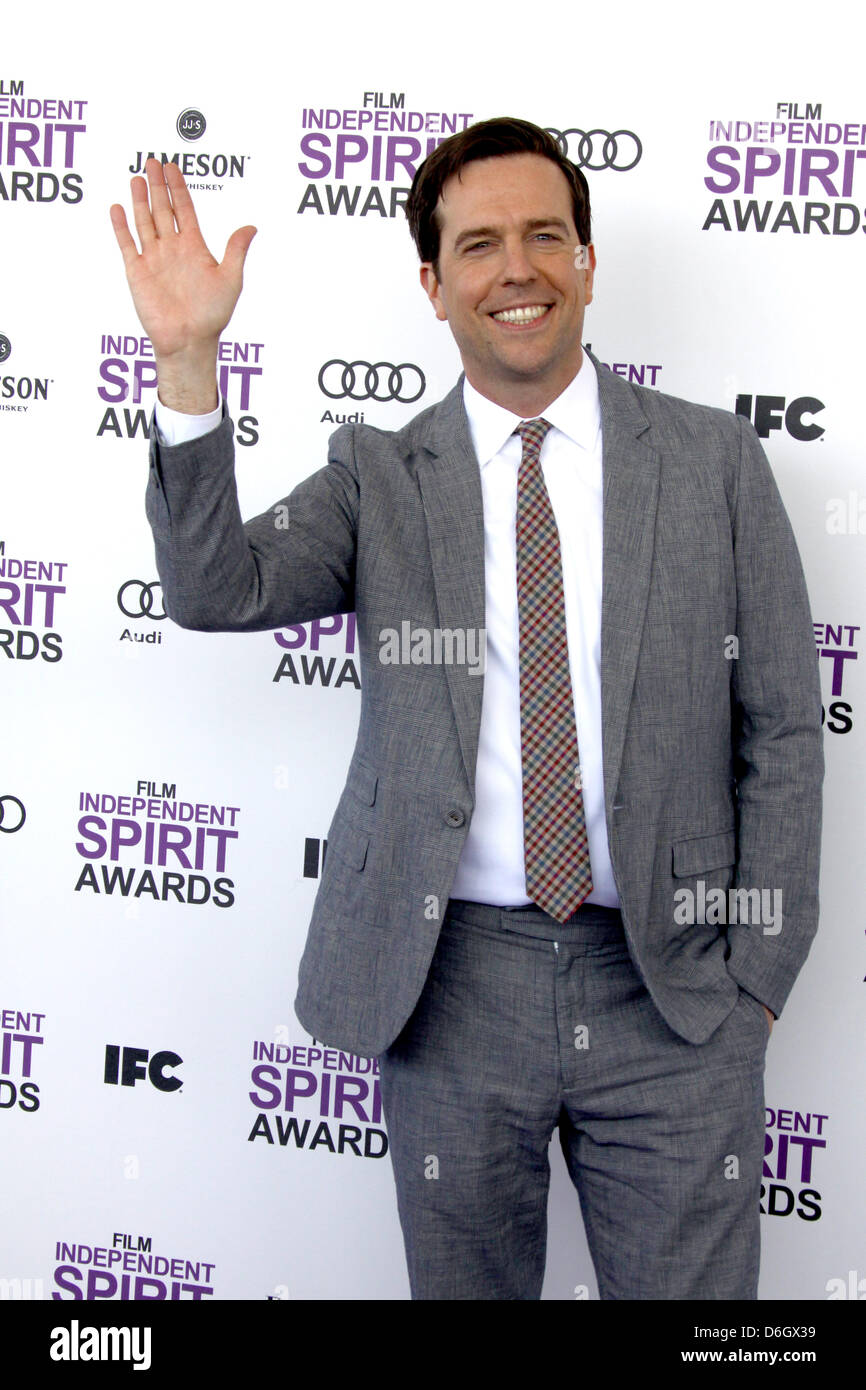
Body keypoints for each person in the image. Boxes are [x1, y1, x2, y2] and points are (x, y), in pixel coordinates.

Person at [110, 117, 824, 1300]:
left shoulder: (712, 463)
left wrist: (756, 976)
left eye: (546, 235)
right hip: (451, 986)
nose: (518, 269)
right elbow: (212, 587)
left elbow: (785, 731)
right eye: (480, 245)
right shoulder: (377, 478)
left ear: (586, 261)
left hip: (673, 991)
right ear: (434, 285)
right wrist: (187, 367)